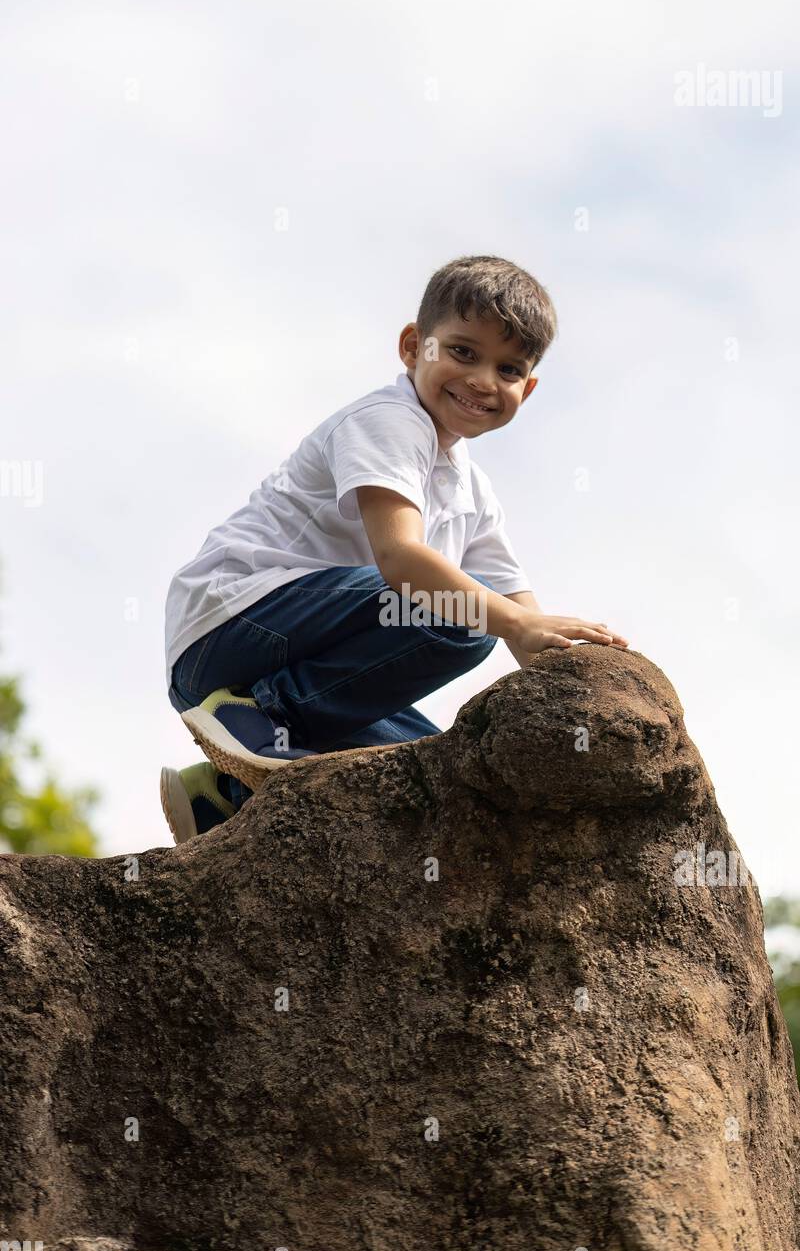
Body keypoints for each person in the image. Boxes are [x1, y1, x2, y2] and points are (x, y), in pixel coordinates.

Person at [160, 254, 628, 843]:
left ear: (527, 389)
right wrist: (507, 620)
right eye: (463, 352)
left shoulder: (471, 490)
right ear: (413, 347)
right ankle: (262, 716)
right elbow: (403, 561)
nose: (483, 380)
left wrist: (581, 687)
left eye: (507, 369)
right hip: (232, 627)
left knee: (433, 772)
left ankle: (224, 804)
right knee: (459, 614)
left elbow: (525, 620)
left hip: (282, 655)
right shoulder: (389, 420)